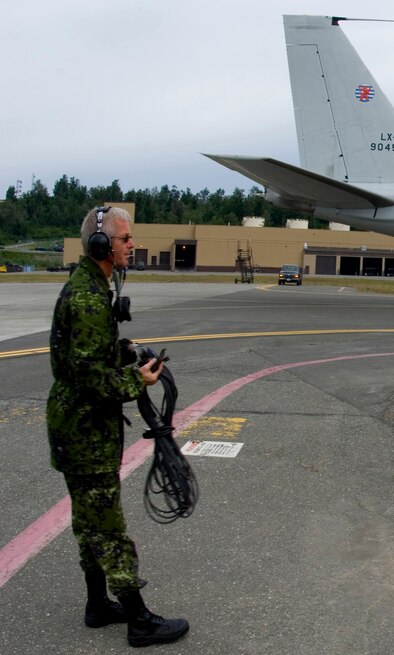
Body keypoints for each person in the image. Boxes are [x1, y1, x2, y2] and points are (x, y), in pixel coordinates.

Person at [47, 206, 189, 648]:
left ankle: (96, 604)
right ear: (101, 245)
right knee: (107, 527)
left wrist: (124, 348)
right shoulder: (89, 298)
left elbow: (86, 356)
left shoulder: (92, 287)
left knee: (89, 522)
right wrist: (137, 378)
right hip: (85, 431)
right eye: (125, 239)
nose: (132, 245)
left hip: (77, 429)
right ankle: (138, 620)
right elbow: (88, 377)